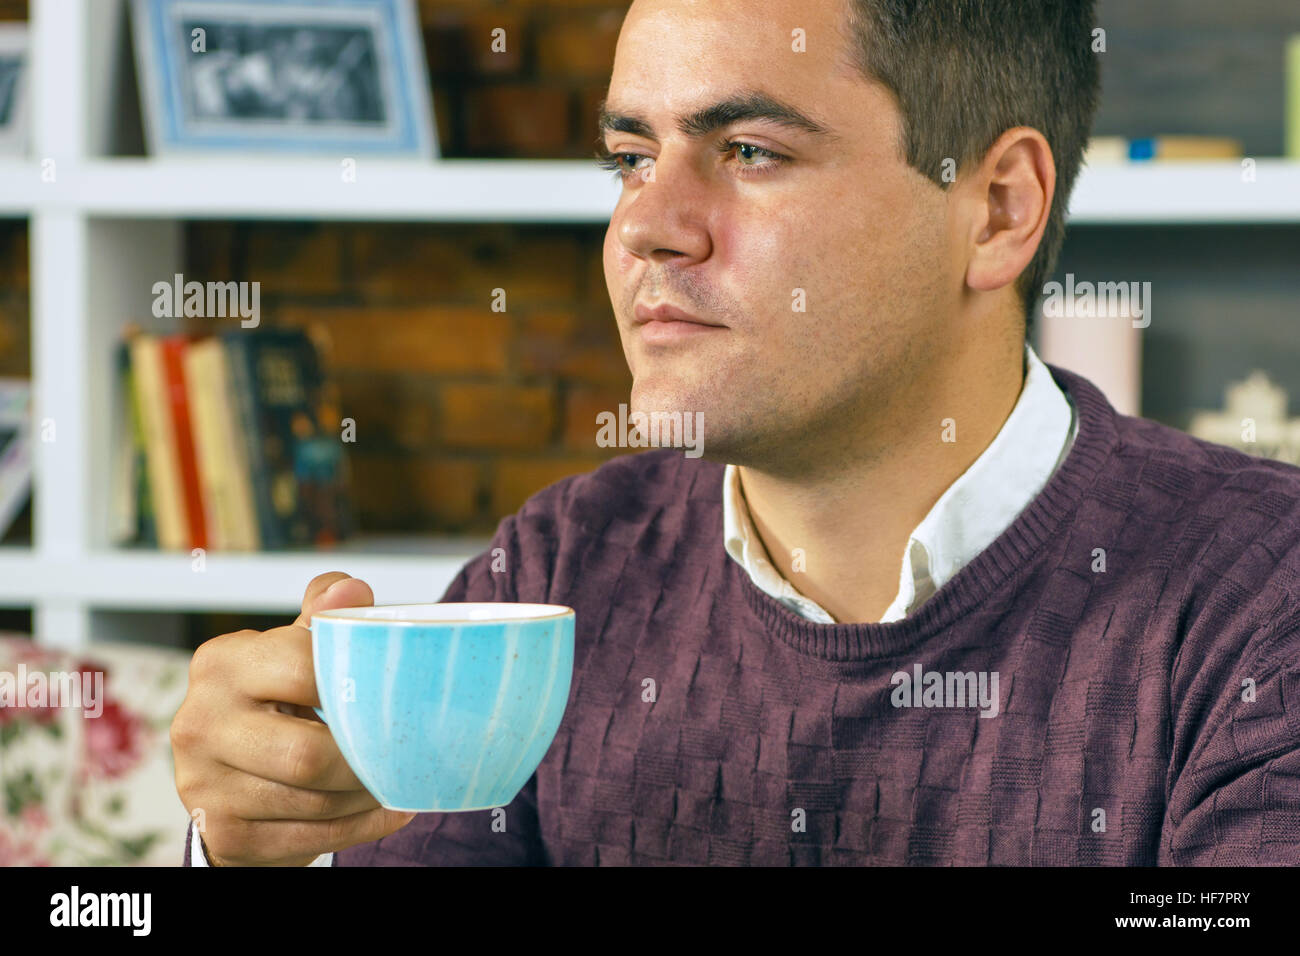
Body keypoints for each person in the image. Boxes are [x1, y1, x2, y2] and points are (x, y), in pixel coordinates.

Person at [172, 0, 1300, 866]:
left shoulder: (1264, 603)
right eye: (629, 158)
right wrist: (260, 843)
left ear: (997, 206)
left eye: (750, 150)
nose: (644, 228)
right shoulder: (558, 571)